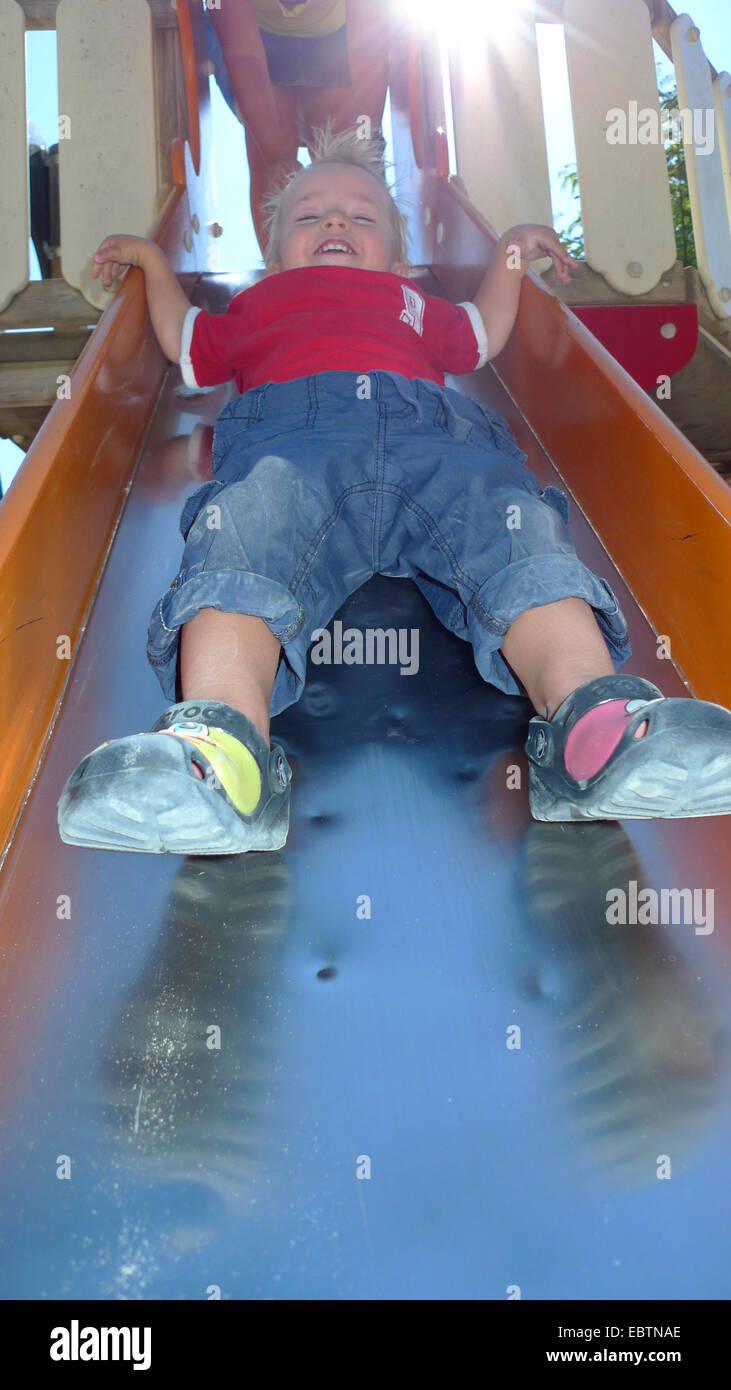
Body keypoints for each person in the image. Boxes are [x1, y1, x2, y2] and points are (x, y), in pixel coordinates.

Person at [57, 126, 731, 853]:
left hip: (436, 441)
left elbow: (483, 334)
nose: (335, 223)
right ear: (273, 252)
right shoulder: (254, 308)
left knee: (519, 534)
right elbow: (180, 338)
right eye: (309, 217)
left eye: (360, 215)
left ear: (401, 258)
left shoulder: (414, 305)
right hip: (294, 448)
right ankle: (221, 753)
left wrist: (506, 254)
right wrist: (156, 261)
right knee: (236, 539)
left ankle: (593, 729)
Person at [204, 0, 390, 255]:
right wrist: (276, 157)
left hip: (338, 36)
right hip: (253, 36)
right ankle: (280, 272)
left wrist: (363, 144)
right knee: (270, 160)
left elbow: (369, 54)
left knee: (350, 155)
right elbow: (243, 56)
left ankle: (370, 268)